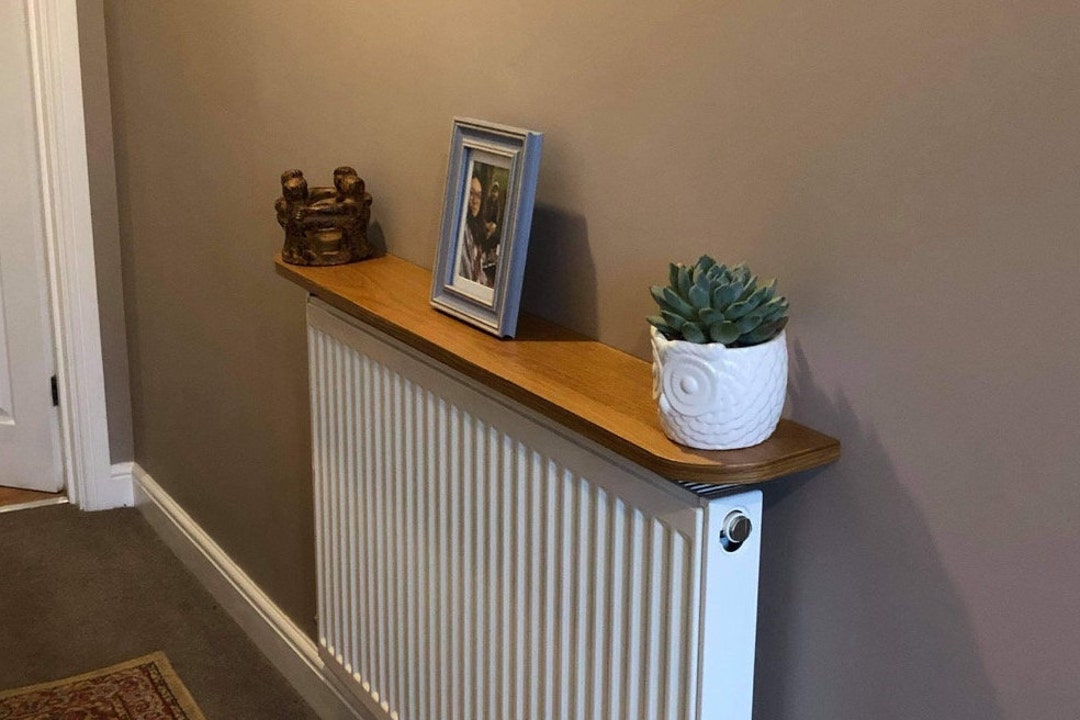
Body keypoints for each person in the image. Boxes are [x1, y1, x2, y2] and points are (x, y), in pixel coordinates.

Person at [458, 174, 489, 284]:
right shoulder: (461, 229)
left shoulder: (474, 228)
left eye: (479, 195)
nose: (475, 201)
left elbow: (479, 271)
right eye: (471, 193)